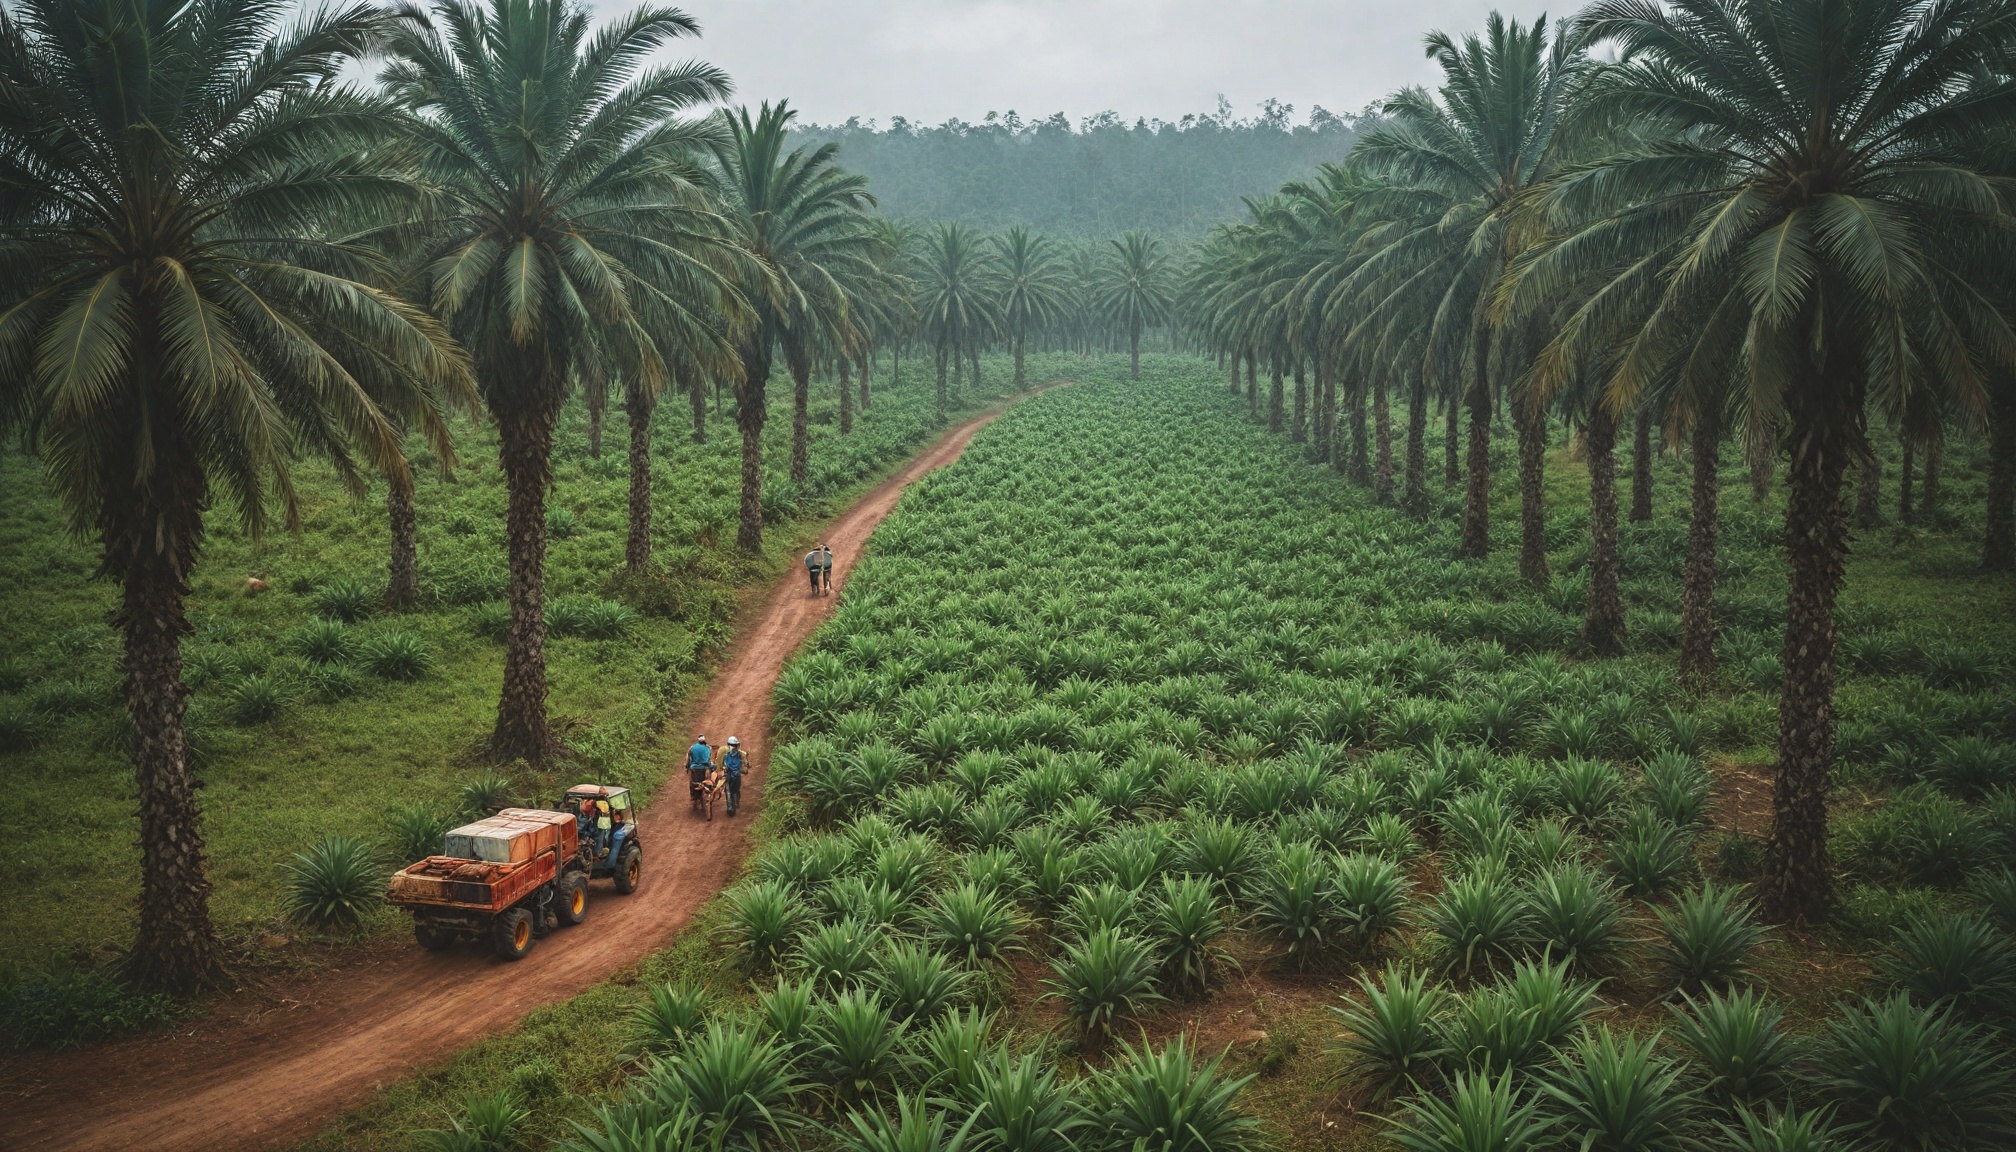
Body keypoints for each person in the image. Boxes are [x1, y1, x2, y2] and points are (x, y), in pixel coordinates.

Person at [721, 736, 745, 816]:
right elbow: (744, 765)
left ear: (728, 745)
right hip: (737, 775)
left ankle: (730, 807)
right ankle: (737, 803)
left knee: (728, 791)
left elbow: (723, 766)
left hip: (729, 776)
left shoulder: (726, 756)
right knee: (736, 790)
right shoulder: (741, 755)